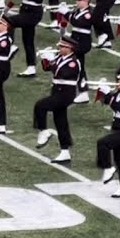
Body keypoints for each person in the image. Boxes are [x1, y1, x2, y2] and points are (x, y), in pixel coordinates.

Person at [34, 36, 81, 164]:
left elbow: (63, 73)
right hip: (57, 91)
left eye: (62, 47)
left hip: (66, 94)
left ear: (69, 48)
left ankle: (43, 131)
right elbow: (46, 68)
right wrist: (45, 59)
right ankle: (65, 151)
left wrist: (52, 62)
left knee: (40, 106)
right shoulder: (60, 58)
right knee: (60, 121)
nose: (59, 48)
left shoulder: (73, 62)